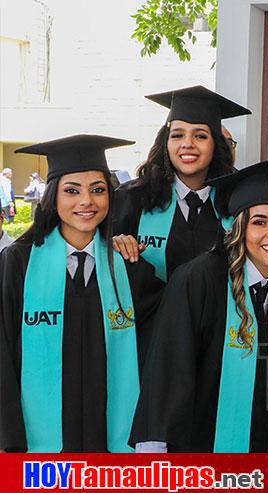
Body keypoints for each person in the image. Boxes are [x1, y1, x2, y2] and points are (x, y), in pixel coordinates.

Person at [131, 161, 268, 453]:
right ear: (238, 227)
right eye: (259, 221)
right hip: (204, 452)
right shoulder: (199, 279)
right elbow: (168, 371)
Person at [0, 135, 164, 452]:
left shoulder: (130, 269)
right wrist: (8, 438)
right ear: (53, 197)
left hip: (112, 443)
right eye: (72, 190)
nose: (86, 201)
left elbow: (156, 354)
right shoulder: (18, 263)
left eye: (98, 190)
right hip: (36, 445)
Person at [111, 85, 250, 281]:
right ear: (166, 142)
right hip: (152, 311)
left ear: (215, 145)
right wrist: (114, 243)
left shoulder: (237, 201)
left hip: (220, 311)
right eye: (177, 135)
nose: (187, 144)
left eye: (200, 136)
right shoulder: (132, 199)